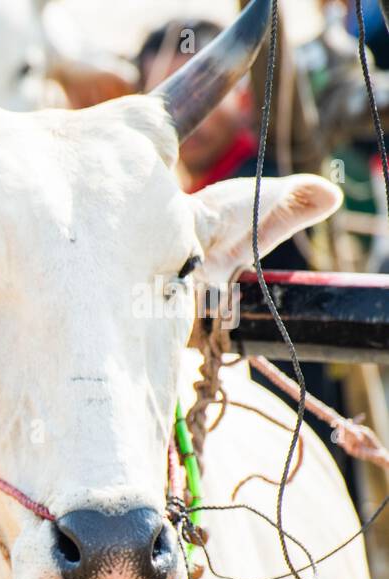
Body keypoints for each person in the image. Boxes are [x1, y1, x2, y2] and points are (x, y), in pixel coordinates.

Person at [138, 18, 353, 486]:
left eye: (206, 98)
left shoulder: (273, 175)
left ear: (243, 97)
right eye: (175, 104)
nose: (191, 119)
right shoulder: (165, 210)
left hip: (301, 444)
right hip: (224, 450)